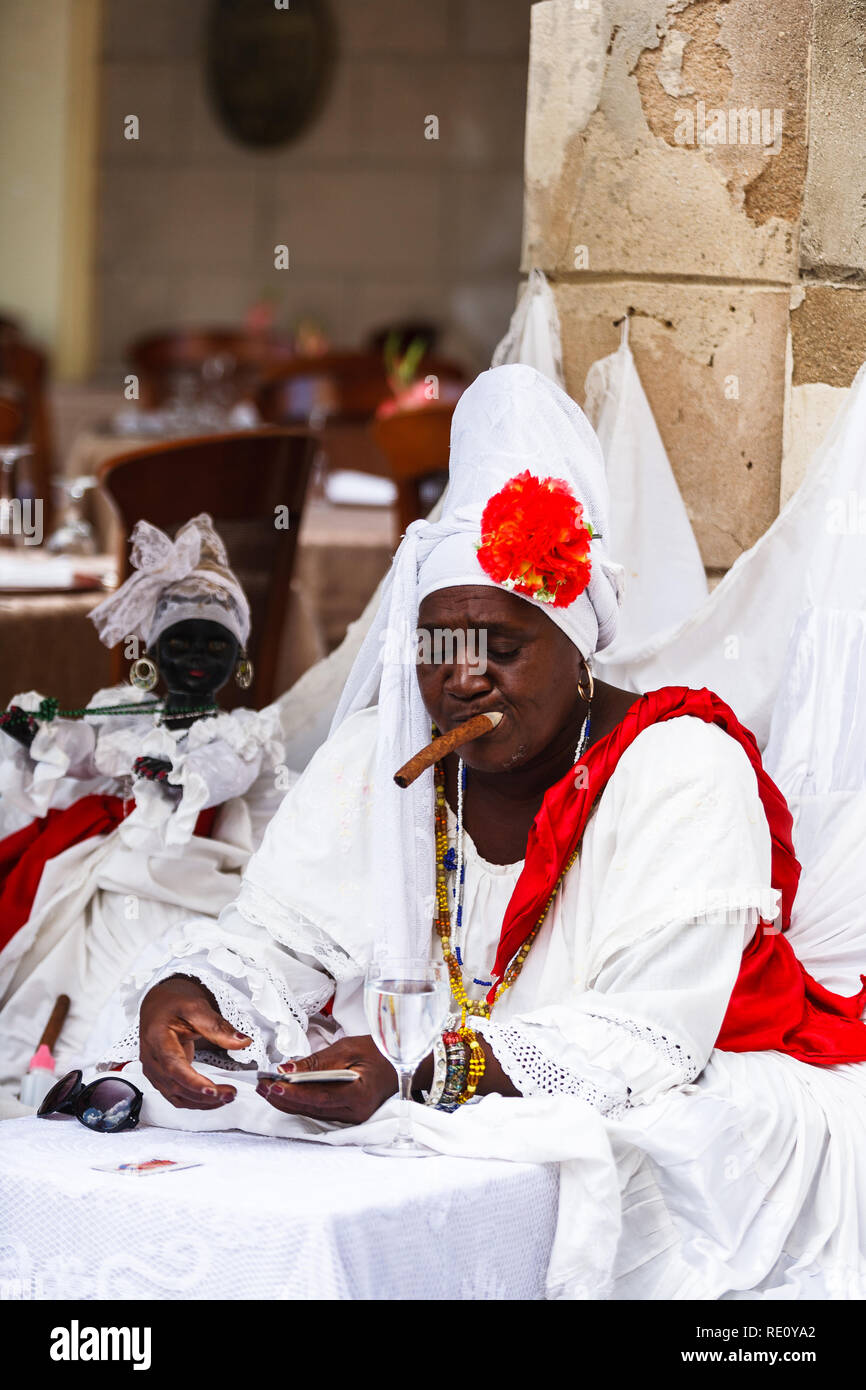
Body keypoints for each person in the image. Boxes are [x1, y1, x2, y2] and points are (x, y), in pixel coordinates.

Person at [108, 367, 866, 1298]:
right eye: (438, 649)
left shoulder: (678, 767)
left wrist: (432, 1071)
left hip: (670, 1101)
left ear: (575, 648)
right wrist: (196, 989)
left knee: (618, 1173)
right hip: (429, 1087)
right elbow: (281, 937)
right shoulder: (381, 756)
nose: (462, 681)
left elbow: (652, 1034)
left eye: (502, 648)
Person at [0, 514, 287, 1096]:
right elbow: (86, 749)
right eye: (179, 643)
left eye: (215, 644)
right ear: (154, 650)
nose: (196, 658)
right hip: (107, 878)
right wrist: (43, 736)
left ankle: (126, 1077)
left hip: (183, 886)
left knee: (150, 985)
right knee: (62, 982)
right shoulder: (126, 710)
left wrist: (179, 775)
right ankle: (53, 1074)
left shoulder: (243, 733)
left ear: (239, 657)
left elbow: (223, 774)